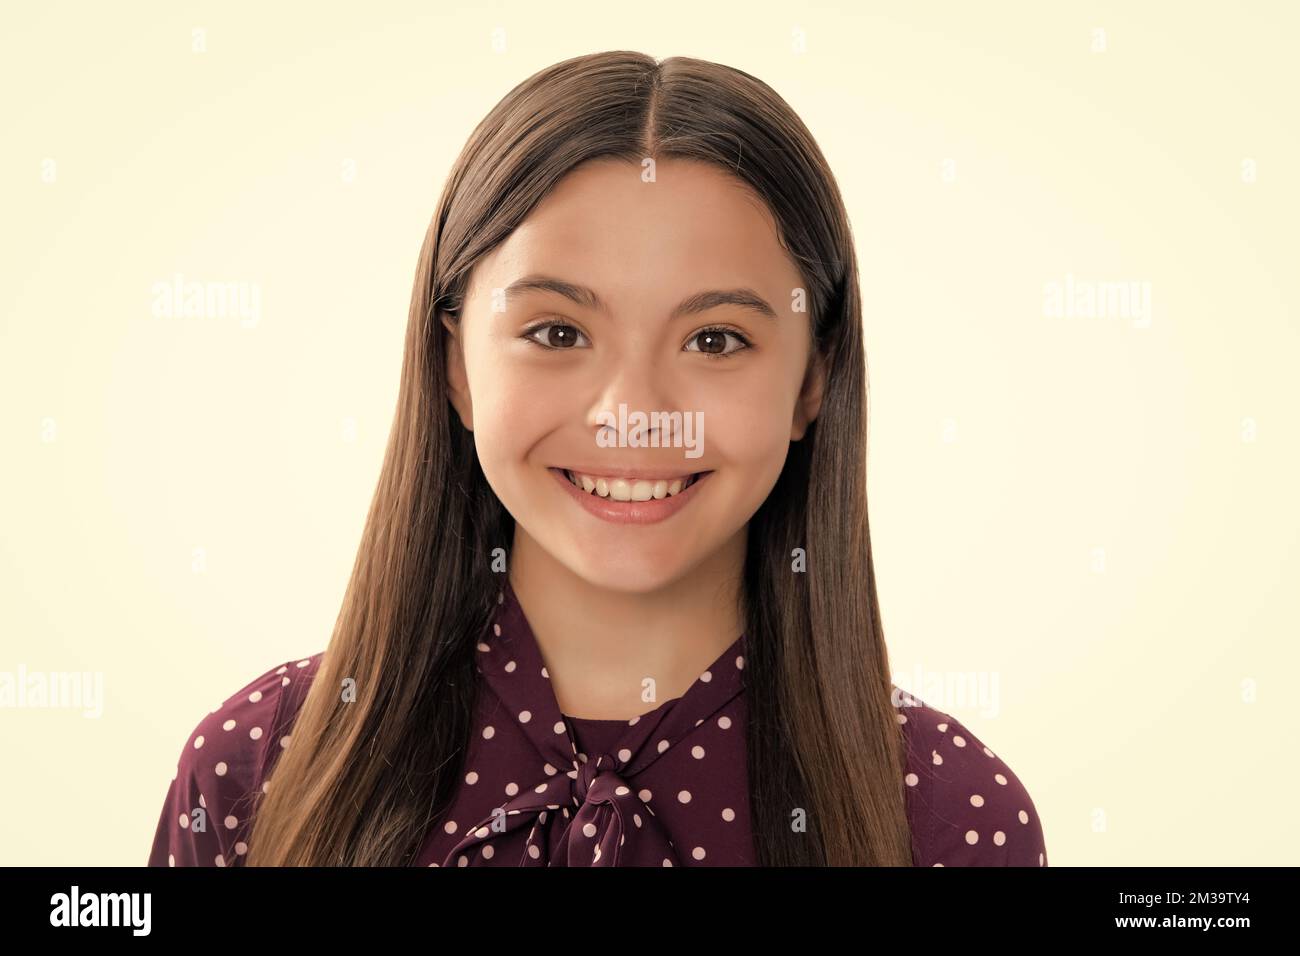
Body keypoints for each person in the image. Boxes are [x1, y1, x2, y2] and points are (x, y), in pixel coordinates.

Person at [147, 50, 1046, 867]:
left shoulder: (953, 818)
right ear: (454, 365)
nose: (635, 416)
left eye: (717, 339)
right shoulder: (252, 772)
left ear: (814, 379)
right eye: (556, 331)